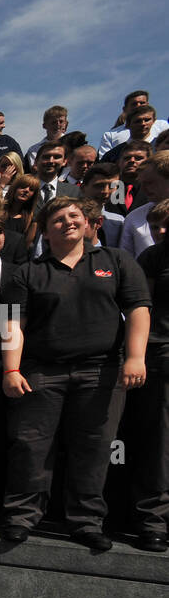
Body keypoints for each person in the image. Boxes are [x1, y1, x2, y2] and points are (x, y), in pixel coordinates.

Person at [0, 198, 152, 550]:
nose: (67, 222)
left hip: (101, 372)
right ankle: (21, 517)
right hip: (41, 372)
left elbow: (138, 309)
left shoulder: (116, 261)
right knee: (31, 446)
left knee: (95, 449)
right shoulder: (28, 272)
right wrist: (10, 369)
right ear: (46, 231)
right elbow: (12, 324)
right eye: (57, 219)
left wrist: (135, 357)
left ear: (88, 223)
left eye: (74, 216)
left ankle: (85, 522)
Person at [129, 230, 169, 550]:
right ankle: (154, 519)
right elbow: (140, 309)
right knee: (160, 446)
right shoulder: (155, 257)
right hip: (161, 357)